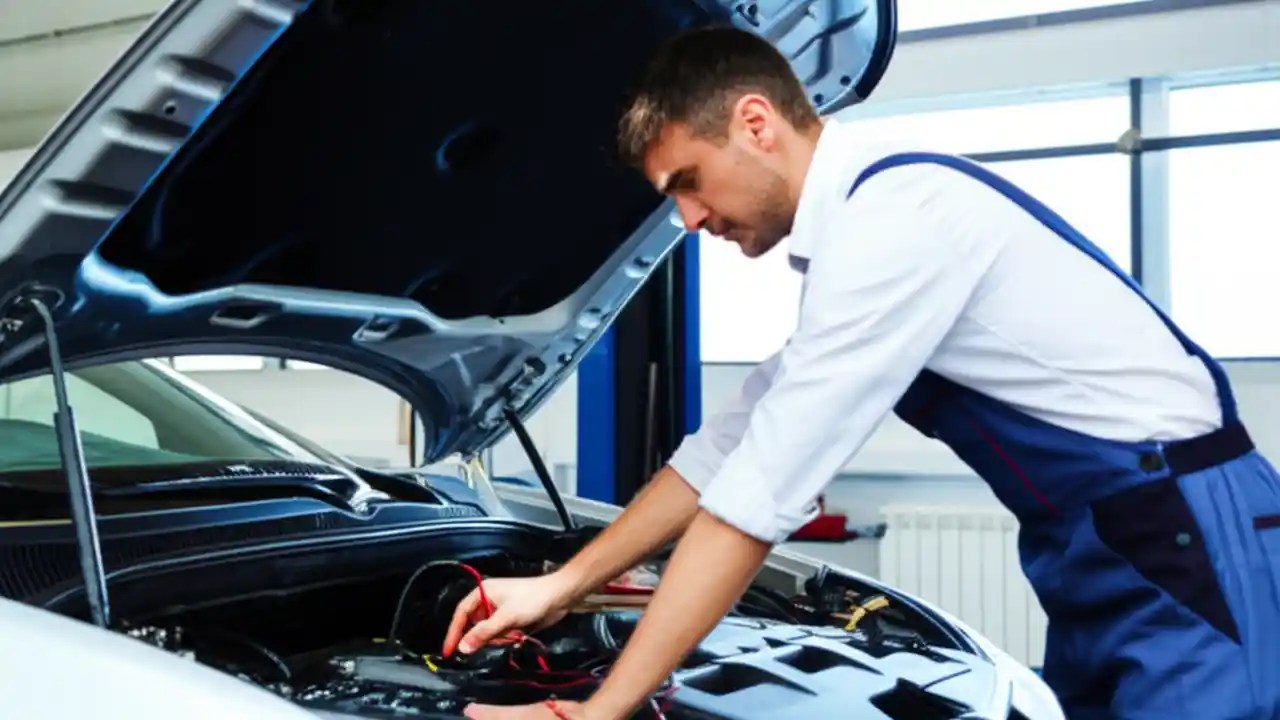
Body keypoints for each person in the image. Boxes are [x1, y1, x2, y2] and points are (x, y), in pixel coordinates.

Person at [449, 25, 1280, 720]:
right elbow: (725, 450)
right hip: (1105, 541)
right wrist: (562, 584)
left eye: (689, 183)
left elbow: (754, 499)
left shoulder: (895, 227)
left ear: (755, 122)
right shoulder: (862, 235)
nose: (689, 219)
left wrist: (603, 711)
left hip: (1184, 536)